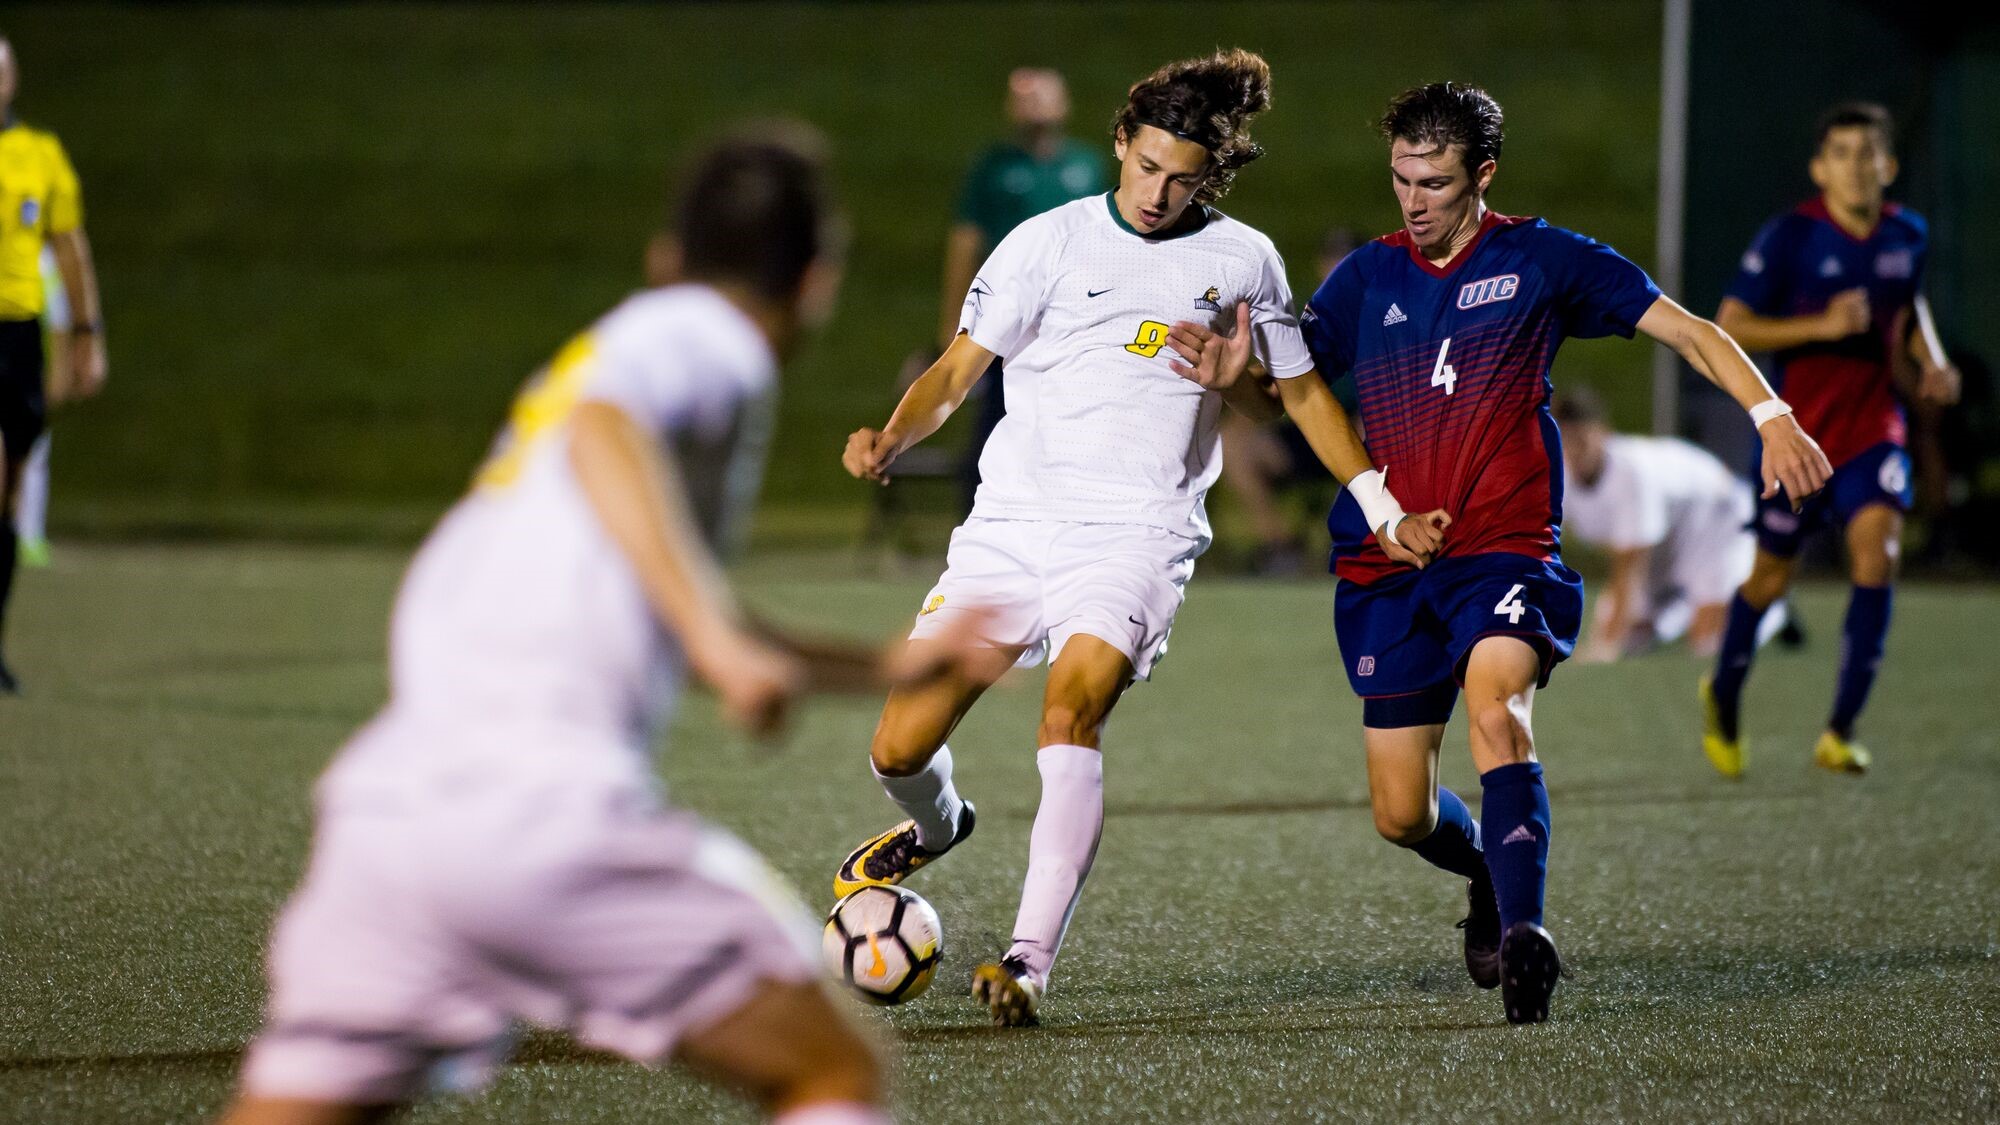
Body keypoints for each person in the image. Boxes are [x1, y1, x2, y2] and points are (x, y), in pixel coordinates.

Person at [222, 129, 982, 1125]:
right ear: (817, 283)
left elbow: (679, 592)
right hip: (536, 816)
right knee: (828, 1071)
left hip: (392, 819)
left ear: (665, 253)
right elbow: (604, 430)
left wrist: (880, 665)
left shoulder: (620, 350)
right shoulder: (704, 339)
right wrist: (718, 645)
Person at [833, 49, 1436, 1028]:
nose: (1157, 194)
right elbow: (956, 369)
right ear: (1119, 142)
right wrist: (891, 436)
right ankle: (939, 827)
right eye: (1146, 166)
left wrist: (1373, 500)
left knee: (1069, 713)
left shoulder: (1242, 259)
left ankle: (1027, 961)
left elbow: (1291, 398)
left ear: (1211, 176)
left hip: (1135, 533)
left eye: (1182, 179)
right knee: (897, 750)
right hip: (1012, 527)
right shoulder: (1044, 242)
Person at [1275, 82, 1828, 1024]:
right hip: (1390, 563)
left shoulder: (1542, 258)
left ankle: (1527, 934)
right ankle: (1489, 872)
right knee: (1402, 812)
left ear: (1483, 175)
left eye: (1435, 183)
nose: (1413, 200)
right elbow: (1287, 388)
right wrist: (1229, 373)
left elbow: (1689, 331)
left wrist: (1771, 415)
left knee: (1499, 709)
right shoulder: (1366, 277)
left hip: (1504, 548)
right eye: (1401, 178)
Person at [1700, 101, 1959, 778]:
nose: (1855, 166)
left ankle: (1839, 730)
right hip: (1799, 437)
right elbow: (1730, 325)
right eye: (1840, 153)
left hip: (1875, 429)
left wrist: (1932, 361)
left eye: (1867, 153)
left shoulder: (1908, 233)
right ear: (1819, 169)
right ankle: (1722, 692)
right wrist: (1820, 325)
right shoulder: (1792, 235)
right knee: (1771, 576)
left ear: (1888, 165)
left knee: (1879, 553)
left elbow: (1908, 308)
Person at [939, 67, 1108, 514]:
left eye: (1042, 95)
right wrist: (955, 319)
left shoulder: (1086, 164)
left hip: (1070, 313)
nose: (1032, 105)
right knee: (998, 410)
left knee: (1071, 411)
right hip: (1008, 310)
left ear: (1064, 103)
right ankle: (978, 512)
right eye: (1023, 97)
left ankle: (1065, 509)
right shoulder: (993, 167)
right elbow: (966, 241)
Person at [0, 36, 105, 692]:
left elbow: (69, 247)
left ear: (11, 80)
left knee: (12, 488)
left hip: (17, 336)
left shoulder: (40, 154)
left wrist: (87, 334)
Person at [1554, 386, 1790, 661]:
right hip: (1665, 540)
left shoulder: (1629, 473)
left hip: (1715, 522)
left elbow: (1629, 565)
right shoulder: (1559, 476)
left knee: (1709, 641)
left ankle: (1771, 608)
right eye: (1565, 440)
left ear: (1602, 433)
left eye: (1580, 439)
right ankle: (1680, 609)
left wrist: (1605, 646)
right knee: (1631, 633)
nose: (1574, 450)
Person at [1217, 227, 1358, 574]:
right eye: (1332, 260)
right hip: (1309, 428)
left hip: (1364, 432)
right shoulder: (1308, 316)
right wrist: (1242, 394)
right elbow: (1277, 379)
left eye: (1346, 260)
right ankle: (1280, 545)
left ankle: (1351, 539)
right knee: (1234, 440)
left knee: (1373, 429)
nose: (1336, 268)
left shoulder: (1386, 314)